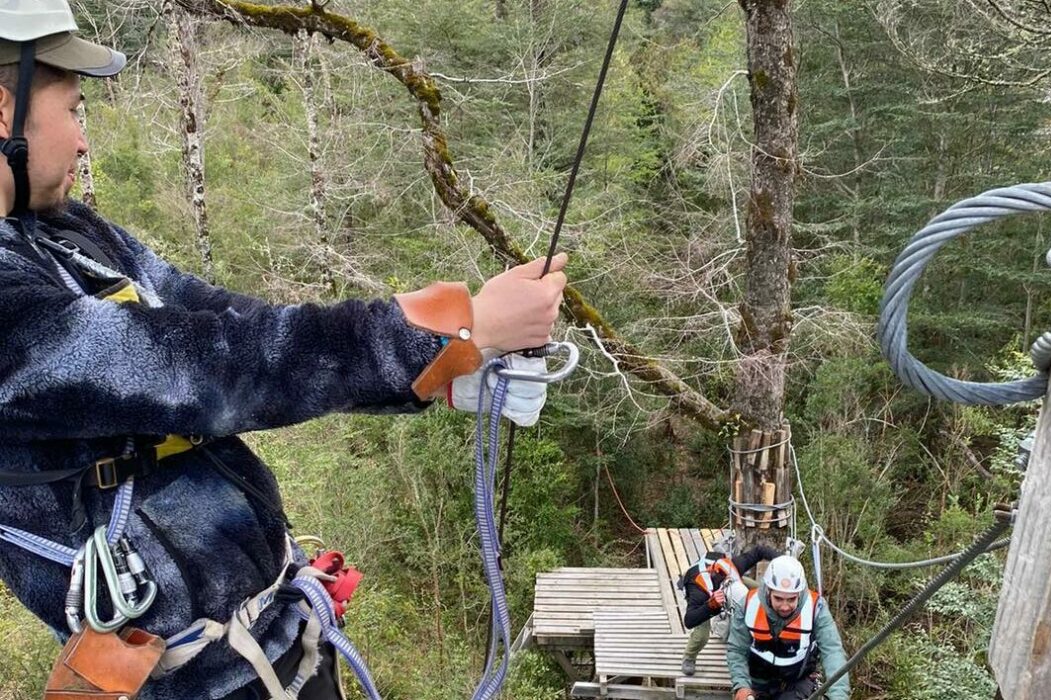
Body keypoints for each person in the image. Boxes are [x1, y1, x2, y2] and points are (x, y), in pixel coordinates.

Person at [0, 3, 568, 699]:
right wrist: (452, 328)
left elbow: (226, 320)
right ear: (3, 111)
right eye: (73, 109)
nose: (83, 142)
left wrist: (438, 366)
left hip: (277, 640)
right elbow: (204, 369)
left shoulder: (65, 235)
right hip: (197, 682)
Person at [726, 556, 849, 700]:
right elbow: (737, 649)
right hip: (756, 682)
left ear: (799, 594)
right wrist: (741, 685)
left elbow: (832, 651)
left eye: (791, 599)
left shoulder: (816, 608)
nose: (785, 606)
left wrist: (838, 695)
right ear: (768, 592)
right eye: (778, 599)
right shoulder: (748, 605)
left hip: (797, 682)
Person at [679, 542, 778, 676]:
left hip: (726, 577)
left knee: (763, 591)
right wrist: (710, 606)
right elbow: (689, 621)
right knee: (702, 635)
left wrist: (782, 560)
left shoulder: (736, 566)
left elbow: (759, 550)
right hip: (701, 588)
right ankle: (689, 657)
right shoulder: (699, 592)